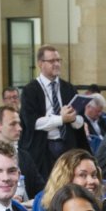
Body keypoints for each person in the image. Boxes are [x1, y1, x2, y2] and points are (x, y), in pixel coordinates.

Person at [19, 46, 90, 184]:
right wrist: (61, 119)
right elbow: (32, 122)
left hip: (67, 145)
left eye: (58, 60)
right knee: (47, 186)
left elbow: (81, 121)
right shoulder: (30, 90)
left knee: (70, 183)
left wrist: (73, 118)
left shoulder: (68, 87)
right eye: (52, 61)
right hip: (43, 148)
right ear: (40, 63)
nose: (56, 64)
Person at [34, 149, 102, 211]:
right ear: (65, 179)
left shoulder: (103, 206)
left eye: (94, 175)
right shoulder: (44, 206)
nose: (91, 181)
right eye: (82, 175)